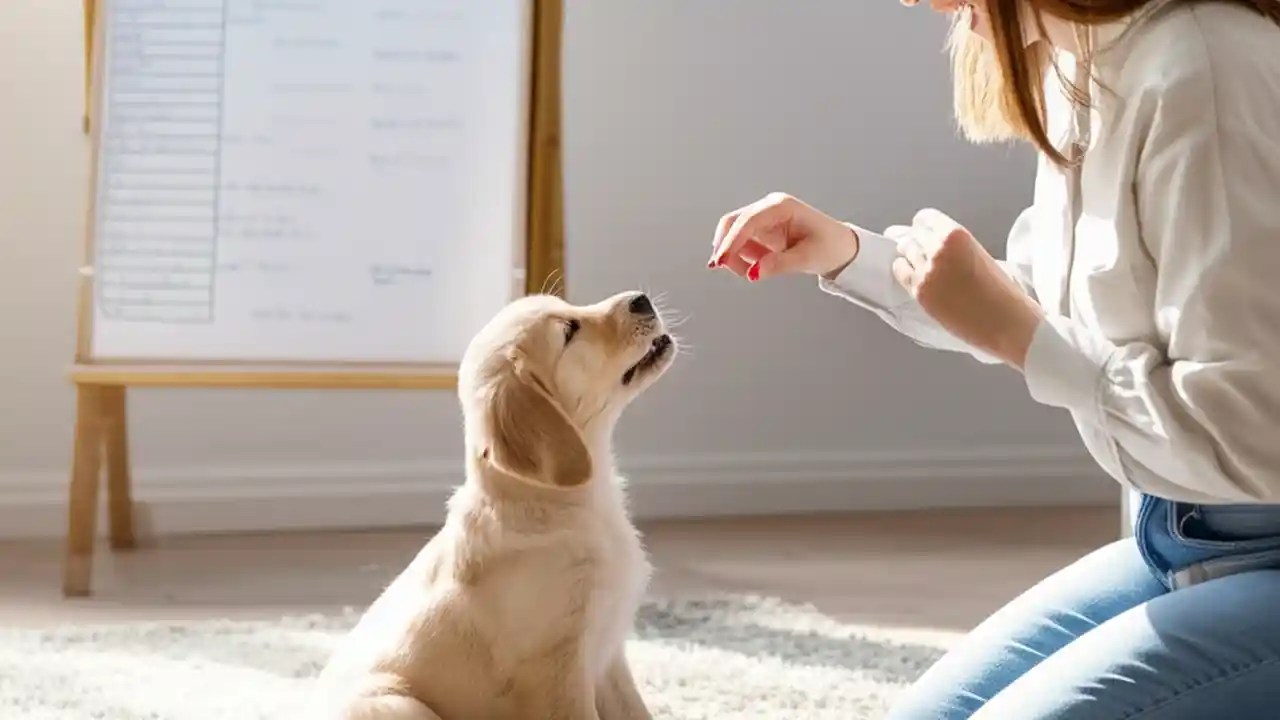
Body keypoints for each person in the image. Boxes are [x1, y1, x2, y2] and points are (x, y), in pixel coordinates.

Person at [707, 0, 1280, 717]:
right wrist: (849, 252)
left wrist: (1021, 335)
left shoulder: (1206, 69)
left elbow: (1257, 435)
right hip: (1178, 535)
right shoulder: (1086, 67)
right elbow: (1053, 307)